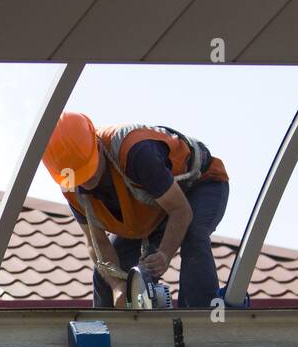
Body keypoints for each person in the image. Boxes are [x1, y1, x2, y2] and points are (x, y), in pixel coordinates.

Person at [42, 112, 229, 308]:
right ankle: (109, 332)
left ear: (97, 146)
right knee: (106, 273)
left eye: (89, 170)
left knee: (194, 236)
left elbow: (181, 211)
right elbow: (96, 244)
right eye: (79, 177)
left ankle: (201, 318)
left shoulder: (135, 152)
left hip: (199, 184)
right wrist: (117, 286)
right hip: (151, 211)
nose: (86, 183)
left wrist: (164, 254)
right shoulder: (69, 183)